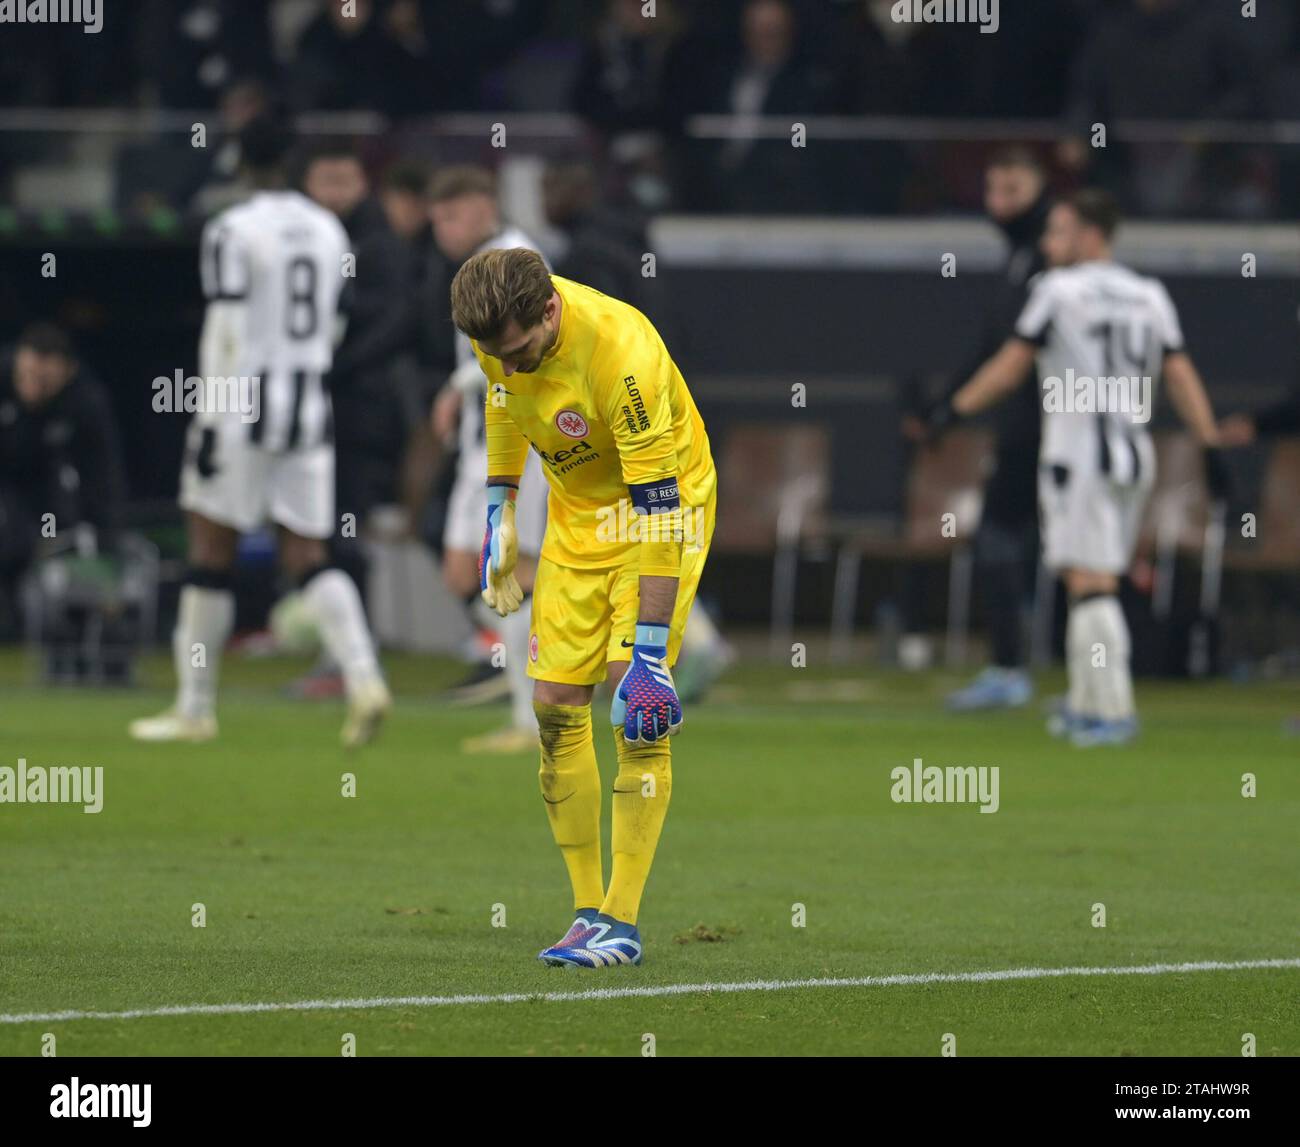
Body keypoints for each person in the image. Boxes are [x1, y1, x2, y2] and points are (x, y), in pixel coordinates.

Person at [451, 247, 715, 966]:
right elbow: (502, 401)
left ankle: (621, 920)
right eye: (492, 354)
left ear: (549, 312)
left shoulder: (621, 354)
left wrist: (653, 655)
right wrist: (500, 504)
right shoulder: (497, 339)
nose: (508, 367)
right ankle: (585, 912)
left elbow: (659, 512)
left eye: (520, 351)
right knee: (554, 704)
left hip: (657, 513)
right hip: (576, 513)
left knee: (638, 709)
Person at [130, 116, 390, 747]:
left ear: (240, 164)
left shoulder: (232, 229)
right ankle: (364, 678)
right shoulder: (328, 228)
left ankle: (194, 708)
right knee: (308, 553)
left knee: (209, 550)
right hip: (308, 406)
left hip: (242, 403)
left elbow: (227, 330)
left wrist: (215, 416)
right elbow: (336, 323)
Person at [934, 190, 1225, 746]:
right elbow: (1182, 375)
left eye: (1059, 231)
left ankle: (1112, 710)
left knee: (1090, 585)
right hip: (1133, 453)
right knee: (1089, 579)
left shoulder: (1056, 290)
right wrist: (1209, 444)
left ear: (1092, 234)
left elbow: (1010, 366)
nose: (1048, 243)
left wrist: (953, 408)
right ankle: (1085, 701)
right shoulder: (1149, 294)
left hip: (1077, 456)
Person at [427, 166, 549, 753]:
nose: (442, 229)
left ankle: (531, 720)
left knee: (514, 574)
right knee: (462, 571)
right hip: (480, 446)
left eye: (451, 215)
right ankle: (522, 659)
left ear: (482, 206)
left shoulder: (513, 255)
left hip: (516, 445)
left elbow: (522, 343)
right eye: (436, 220)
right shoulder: (481, 261)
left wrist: (454, 386)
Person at [930, 148, 1050, 712]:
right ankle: (1026, 669)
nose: (999, 204)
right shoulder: (1021, 262)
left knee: (1053, 554)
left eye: (1013, 190)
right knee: (1043, 551)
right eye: (993, 190)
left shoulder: (1050, 270)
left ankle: (1019, 670)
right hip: (1035, 429)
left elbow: (1009, 358)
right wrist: (945, 403)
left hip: (1055, 430)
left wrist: (953, 409)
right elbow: (991, 348)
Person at [0, 324, 126, 638]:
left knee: (57, 540)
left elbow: (102, 477)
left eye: (44, 380)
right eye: (26, 376)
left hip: (52, 498)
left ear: (67, 371)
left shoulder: (87, 404)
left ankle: (67, 631)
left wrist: (106, 539)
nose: (33, 387)